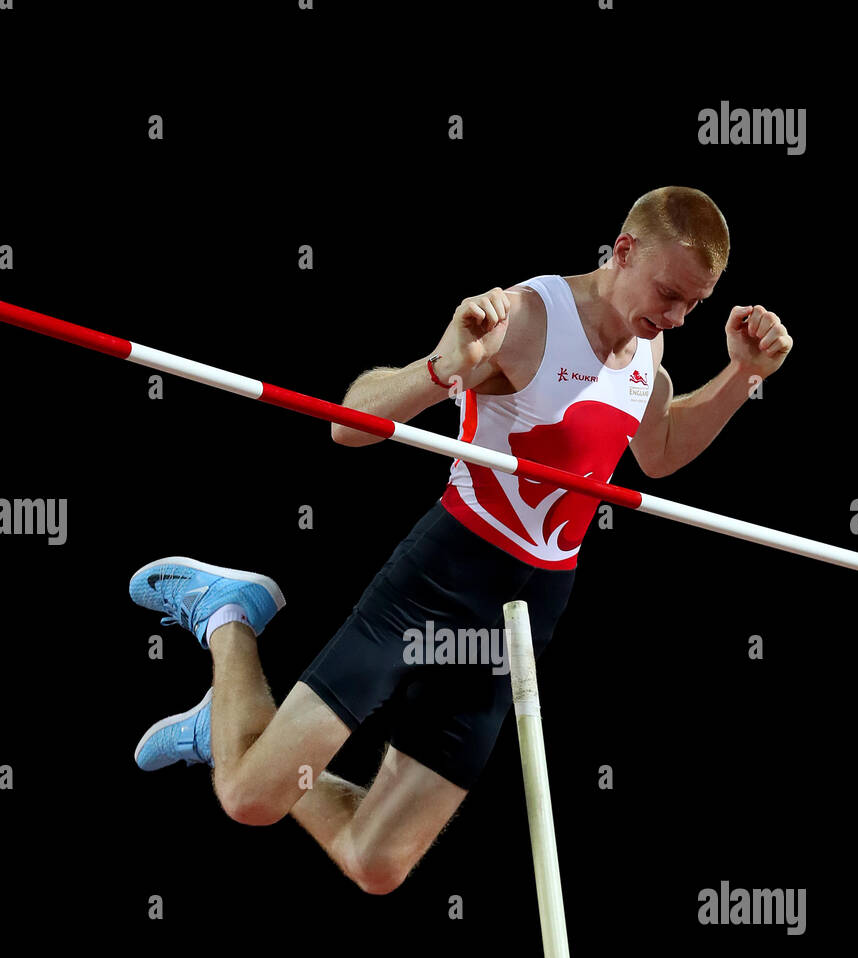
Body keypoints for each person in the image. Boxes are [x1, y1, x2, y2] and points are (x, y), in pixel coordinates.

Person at [129, 186, 792, 894]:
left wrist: (742, 375)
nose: (677, 318)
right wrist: (445, 365)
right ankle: (229, 617)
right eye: (669, 294)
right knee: (249, 799)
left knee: (377, 862)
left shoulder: (645, 350)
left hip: (527, 612)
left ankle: (226, 726)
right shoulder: (528, 319)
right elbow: (348, 423)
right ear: (623, 251)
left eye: (693, 304)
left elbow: (656, 449)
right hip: (444, 575)